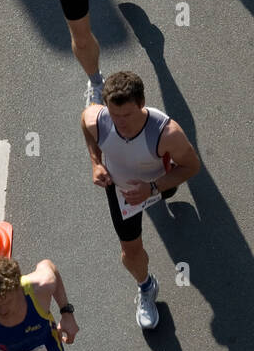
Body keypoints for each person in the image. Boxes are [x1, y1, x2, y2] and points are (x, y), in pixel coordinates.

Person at [81, 70, 201, 329]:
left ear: (142, 104)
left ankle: (165, 194)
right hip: (122, 193)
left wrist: (154, 187)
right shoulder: (97, 119)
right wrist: (95, 164)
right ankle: (146, 287)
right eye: (115, 115)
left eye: (127, 115)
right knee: (129, 252)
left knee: (170, 191)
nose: (120, 123)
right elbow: (86, 123)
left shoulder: (166, 133)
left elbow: (191, 166)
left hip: (157, 184)